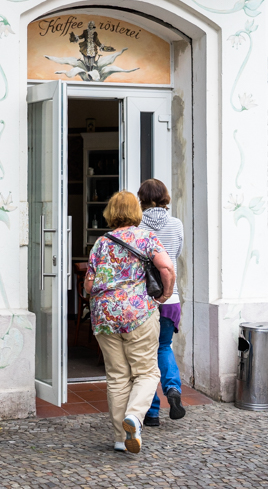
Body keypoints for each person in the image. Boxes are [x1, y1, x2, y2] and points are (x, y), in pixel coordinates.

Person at [85, 190, 175, 454]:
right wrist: (165, 294)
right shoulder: (147, 237)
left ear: (110, 212)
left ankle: (119, 437)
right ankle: (135, 417)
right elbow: (166, 268)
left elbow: (90, 286)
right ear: (136, 212)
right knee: (147, 371)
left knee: (116, 376)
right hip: (138, 313)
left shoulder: (101, 242)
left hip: (104, 315)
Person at [137, 178, 186, 427]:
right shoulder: (176, 224)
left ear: (141, 199)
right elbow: (174, 256)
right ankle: (173, 390)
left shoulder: (137, 226)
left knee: (146, 357)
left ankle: (152, 412)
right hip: (170, 297)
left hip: (145, 300)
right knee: (164, 347)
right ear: (165, 197)